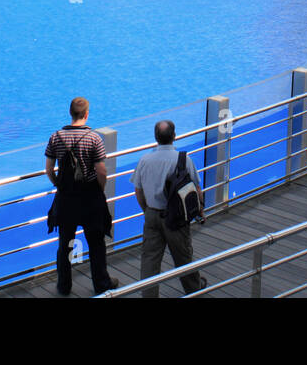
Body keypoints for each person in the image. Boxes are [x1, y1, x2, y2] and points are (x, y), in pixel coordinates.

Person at [45, 96, 116, 296]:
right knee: (96, 243)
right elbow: (101, 171)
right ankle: (101, 284)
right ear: (86, 114)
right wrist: (100, 190)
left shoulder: (56, 137)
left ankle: (64, 285)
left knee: (65, 243)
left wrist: (58, 184)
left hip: (67, 198)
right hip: (90, 197)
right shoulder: (94, 138)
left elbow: (49, 169)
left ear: (70, 113)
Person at [131, 120, 208, 297]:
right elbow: (196, 188)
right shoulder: (183, 159)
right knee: (183, 257)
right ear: (174, 136)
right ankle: (193, 290)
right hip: (177, 217)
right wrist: (200, 210)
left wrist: (146, 210)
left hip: (152, 213)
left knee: (150, 260)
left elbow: (138, 190)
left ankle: (149, 295)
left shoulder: (145, 160)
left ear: (155, 137)